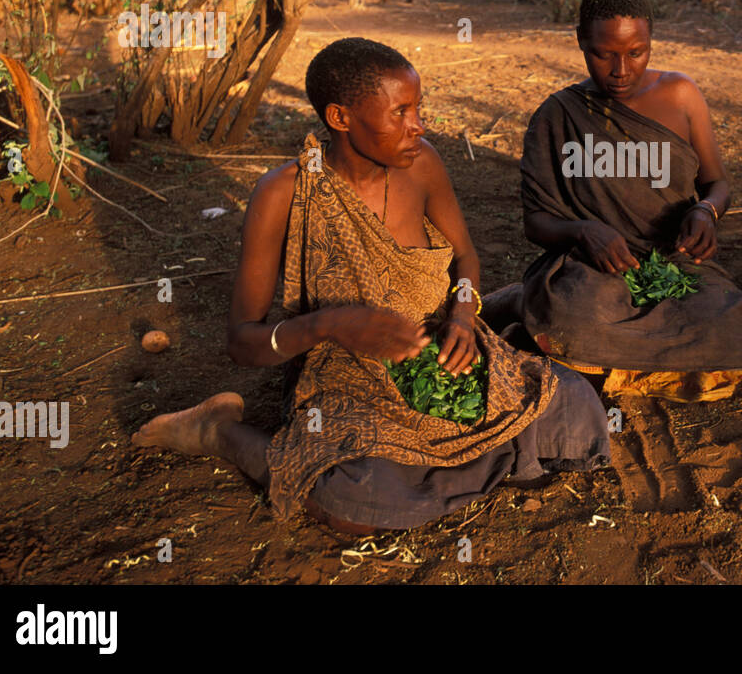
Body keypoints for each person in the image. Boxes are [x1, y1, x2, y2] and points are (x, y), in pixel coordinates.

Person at [132, 38, 609, 534]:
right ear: (341, 118)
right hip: (348, 375)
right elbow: (243, 341)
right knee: (359, 500)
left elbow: (466, 257)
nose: (418, 125)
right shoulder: (283, 195)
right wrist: (329, 325)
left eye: (417, 108)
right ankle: (218, 431)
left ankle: (455, 466)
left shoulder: (421, 163)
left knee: (573, 408)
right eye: (400, 112)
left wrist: (464, 315)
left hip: (441, 345)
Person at [492, 0, 742, 402]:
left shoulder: (681, 95)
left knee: (724, 327)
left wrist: (705, 212)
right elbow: (536, 222)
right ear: (580, 42)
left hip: (675, 262)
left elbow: (716, 183)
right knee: (577, 318)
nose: (621, 70)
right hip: (594, 267)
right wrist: (582, 231)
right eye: (604, 55)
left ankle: (537, 322)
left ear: (651, 41)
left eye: (636, 53)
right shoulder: (557, 116)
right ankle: (533, 315)